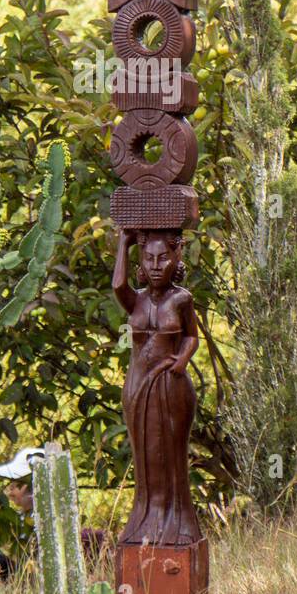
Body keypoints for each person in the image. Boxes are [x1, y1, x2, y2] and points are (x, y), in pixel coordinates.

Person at [112, 228, 202, 544]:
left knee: (171, 454)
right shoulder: (134, 301)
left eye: (162, 258)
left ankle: (177, 525)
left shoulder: (181, 298)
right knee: (145, 455)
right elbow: (118, 285)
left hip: (171, 385)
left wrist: (182, 359)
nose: (154, 265)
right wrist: (123, 243)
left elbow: (192, 335)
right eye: (148, 258)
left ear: (176, 257)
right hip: (138, 387)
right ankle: (145, 522)